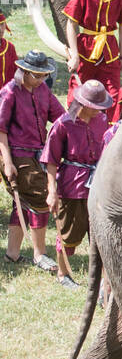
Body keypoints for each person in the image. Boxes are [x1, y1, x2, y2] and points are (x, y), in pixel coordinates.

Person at [42, 79, 111, 287]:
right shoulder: (63, 123)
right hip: (71, 186)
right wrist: (51, 191)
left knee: (99, 233)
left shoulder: (102, 120)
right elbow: (51, 160)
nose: (100, 111)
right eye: (96, 107)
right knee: (68, 231)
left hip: (97, 184)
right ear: (85, 105)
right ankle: (63, 274)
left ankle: (101, 281)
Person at [0, 49, 63, 272]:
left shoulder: (43, 91)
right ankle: (40, 255)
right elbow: (1, 131)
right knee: (40, 198)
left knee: (23, 203)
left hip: (39, 153)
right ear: (24, 71)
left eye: (44, 75)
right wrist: (7, 163)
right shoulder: (9, 92)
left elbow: (60, 118)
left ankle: (12, 254)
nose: (40, 79)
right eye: (36, 75)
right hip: (17, 154)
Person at [64, 0, 122, 113]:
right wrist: (75, 55)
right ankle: (73, 128)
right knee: (80, 90)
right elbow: (71, 24)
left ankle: (109, 134)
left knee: (112, 94)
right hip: (86, 48)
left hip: (110, 50)